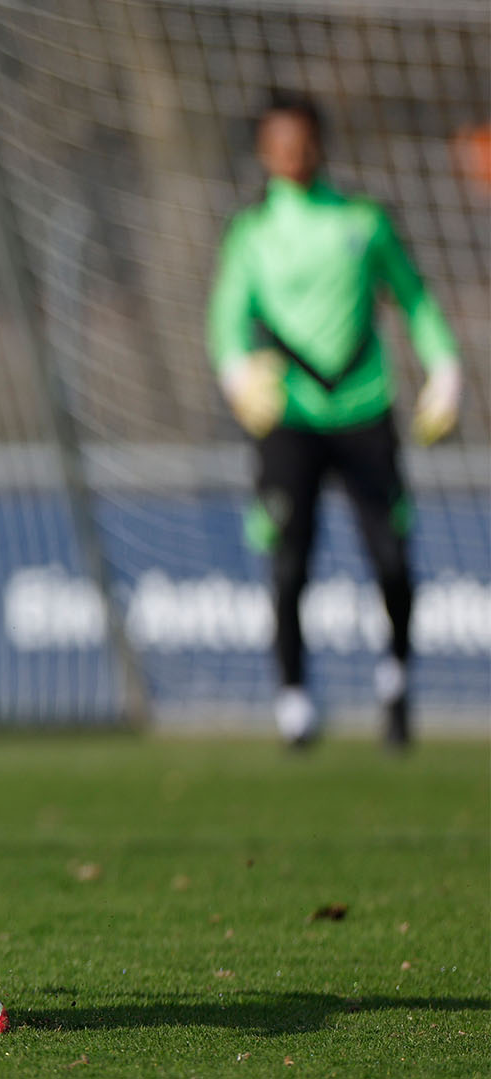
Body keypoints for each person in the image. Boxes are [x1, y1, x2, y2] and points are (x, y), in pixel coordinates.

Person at [208, 91, 462, 749]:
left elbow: (415, 299)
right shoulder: (252, 233)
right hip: (289, 415)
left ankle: (396, 682)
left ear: (319, 143)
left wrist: (445, 370)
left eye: (301, 139)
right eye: (279, 141)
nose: (291, 152)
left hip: (365, 411)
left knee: (392, 558)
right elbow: (225, 320)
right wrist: (236, 374)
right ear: (264, 150)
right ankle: (293, 698)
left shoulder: (363, 222)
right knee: (290, 562)